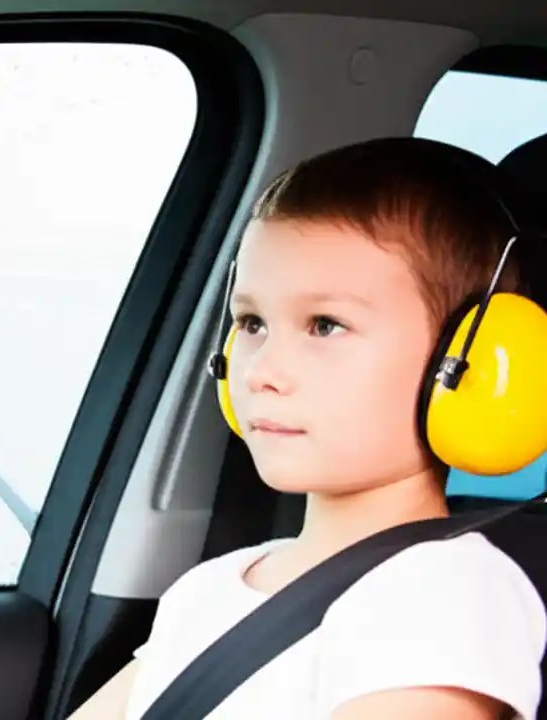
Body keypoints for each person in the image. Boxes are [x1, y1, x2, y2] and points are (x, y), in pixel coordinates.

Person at [71, 138, 547, 719]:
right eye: (251, 323)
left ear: (469, 365)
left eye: (325, 325)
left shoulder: (443, 595)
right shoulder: (209, 590)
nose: (262, 371)